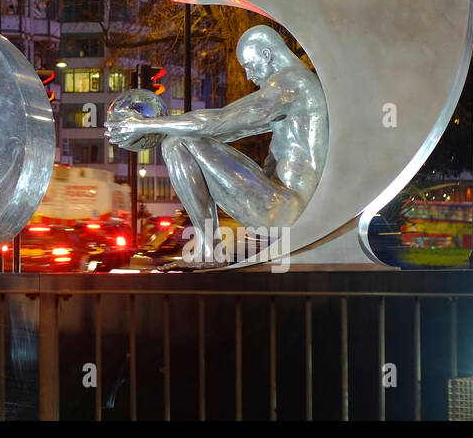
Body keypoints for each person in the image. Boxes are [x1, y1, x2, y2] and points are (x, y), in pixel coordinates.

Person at [105, 25, 328, 262]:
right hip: (277, 203)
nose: (249, 76)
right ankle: (209, 249)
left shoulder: (293, 82)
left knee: (176, 141)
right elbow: (228, 129)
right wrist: (162, 126)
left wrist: (146, 125)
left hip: (285, 208)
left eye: (250, 66)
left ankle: (211, 251)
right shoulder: (294, 91)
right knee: (178, 140)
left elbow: (220, 120)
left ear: (267, 54)